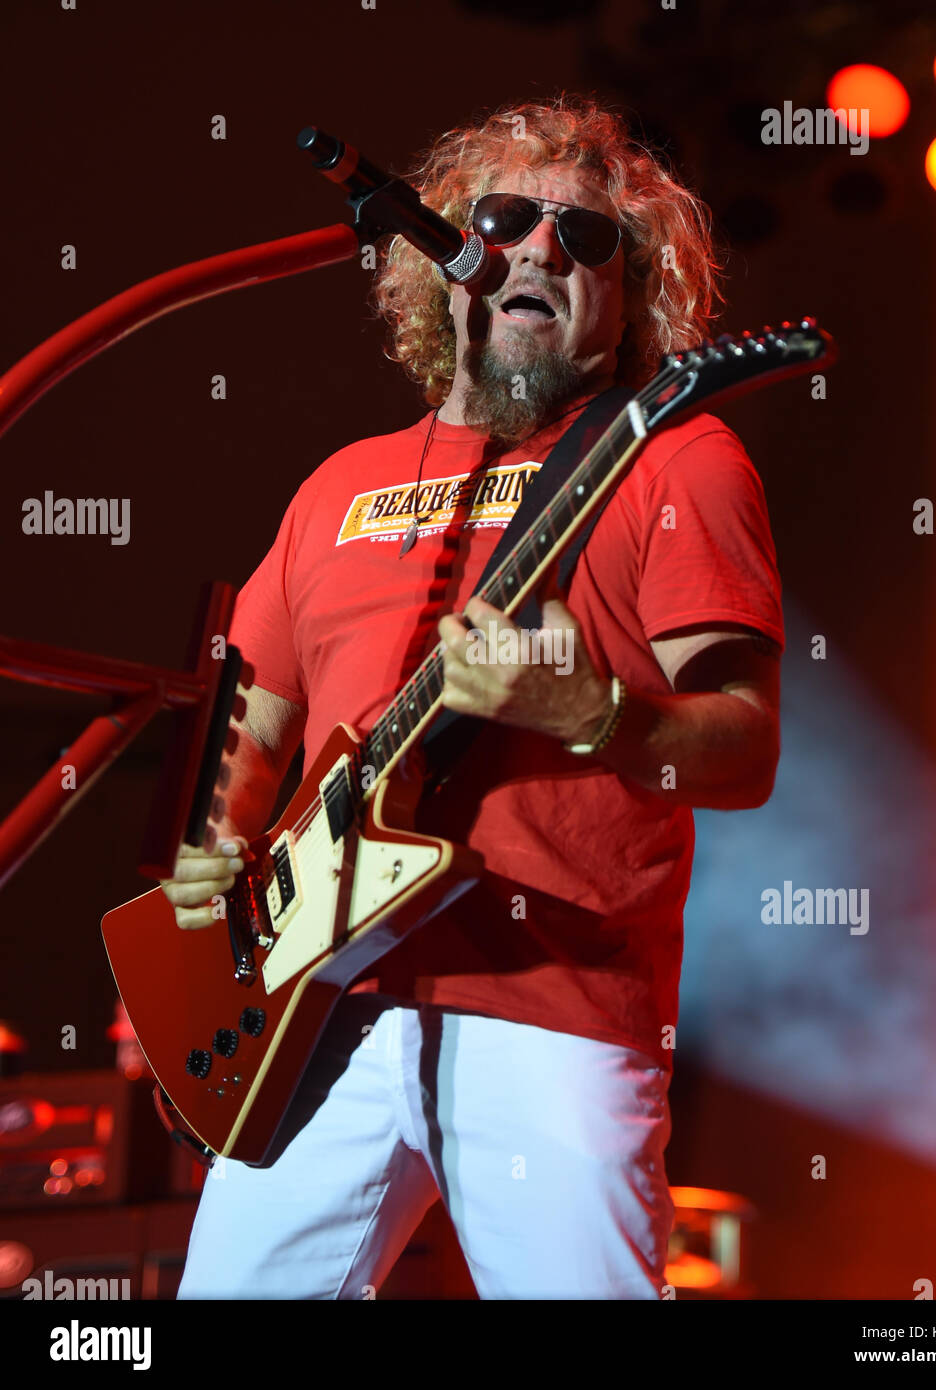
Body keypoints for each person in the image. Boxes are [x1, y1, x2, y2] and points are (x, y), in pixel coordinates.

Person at [165, 95, 784, 1300]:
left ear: (630, 292)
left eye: (587, 238)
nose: (542, 250)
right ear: (437, 258)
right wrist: (196, 935)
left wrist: (601, 715)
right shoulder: (335, 486)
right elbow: (248, 738)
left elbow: (745, 748)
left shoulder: (674, 459)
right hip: (311, 1014)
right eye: (504, 220)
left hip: (548, 1007)